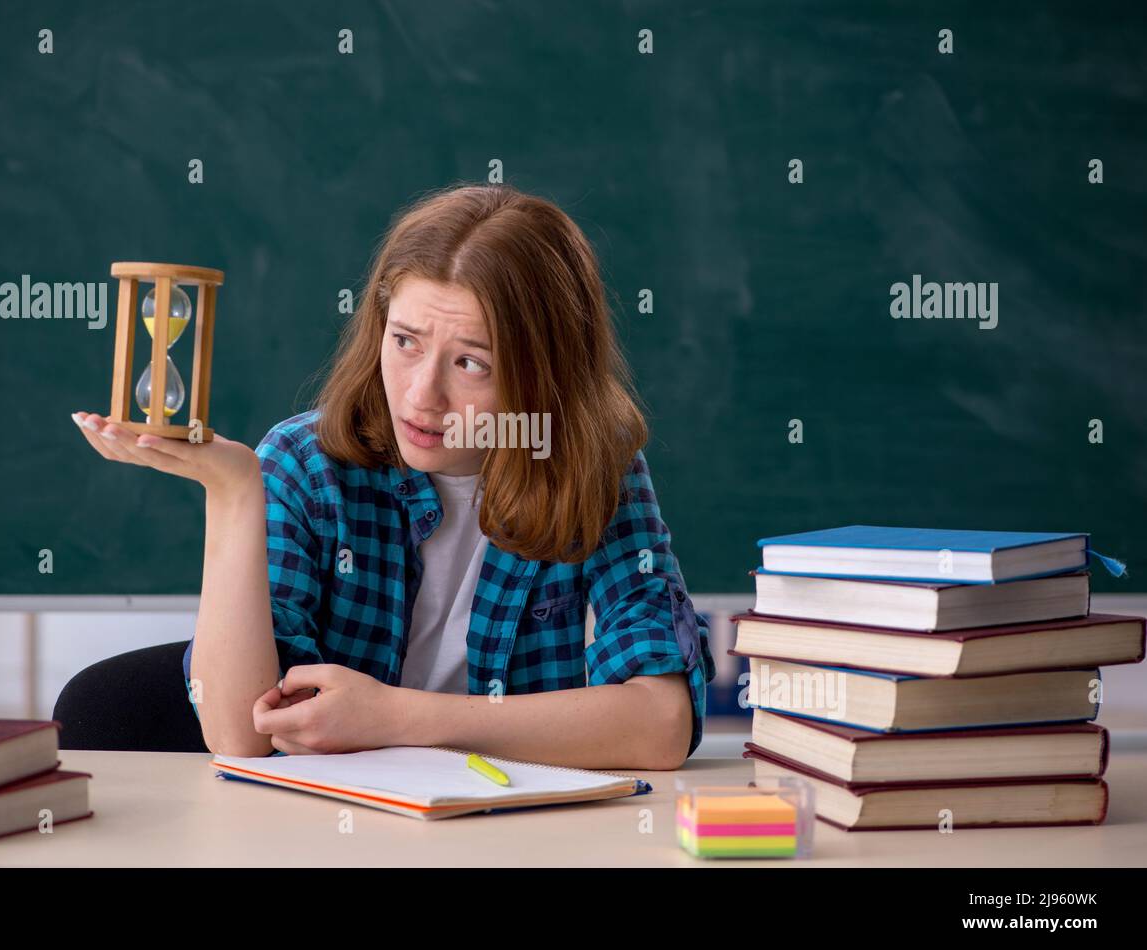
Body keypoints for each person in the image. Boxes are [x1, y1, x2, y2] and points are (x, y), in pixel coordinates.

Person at [72, 182, 714, 770]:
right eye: (405, 342)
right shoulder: (303, 464)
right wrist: (234, 492)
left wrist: (393, 716)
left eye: (471, 363)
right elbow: (242, 735)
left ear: (546, 372)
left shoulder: (593, 468)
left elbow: (659, 724)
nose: (420, 397)